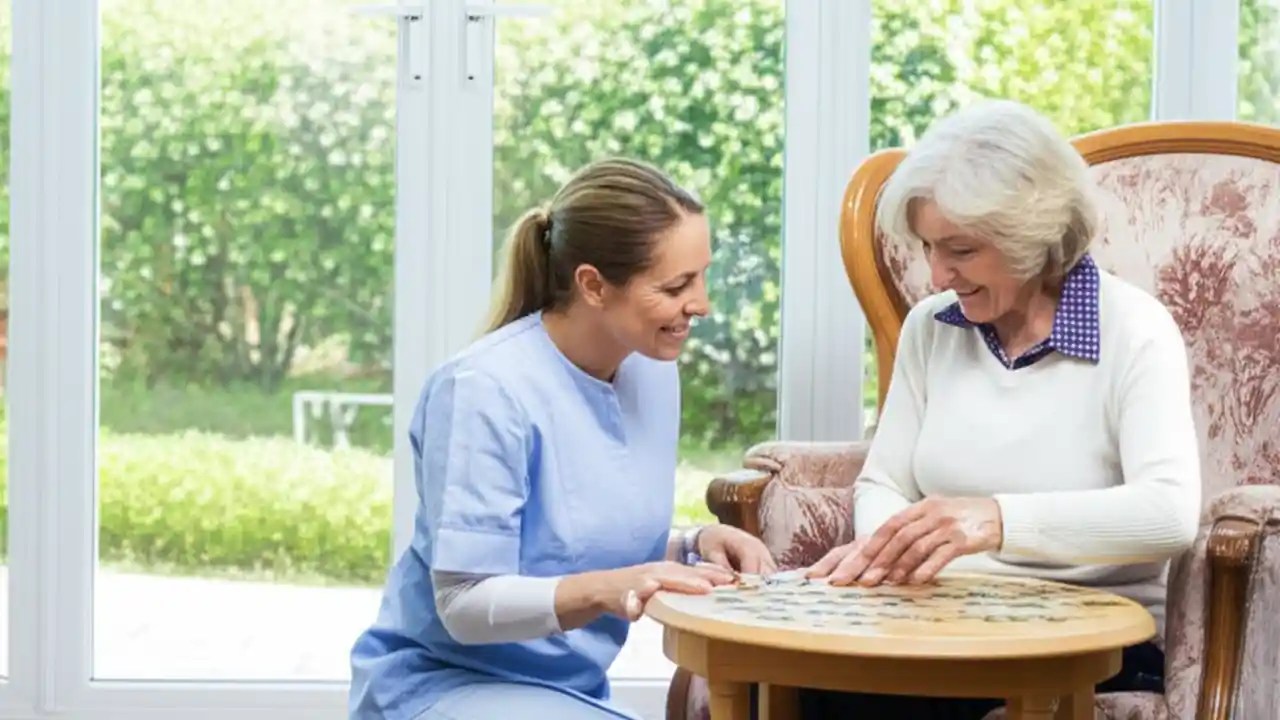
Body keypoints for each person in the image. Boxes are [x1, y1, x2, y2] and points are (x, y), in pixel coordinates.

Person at [799, 100, 1201, 718]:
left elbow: (1169, 513)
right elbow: (884, 481)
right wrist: (890, 551)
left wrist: (994, 520)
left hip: (1086, 637)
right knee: (781, 683)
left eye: (959, 250)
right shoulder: (931, 328)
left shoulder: (1136, 330)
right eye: (929, 247)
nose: (936, 276)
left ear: (1031, 236)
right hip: (940, 621)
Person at [348, 157, 775, 720]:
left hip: (563, 695)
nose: (701, 304)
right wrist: (610, 589)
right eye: (676, 286)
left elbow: (564, 540)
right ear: (594, 285)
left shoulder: (650, 370)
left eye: (701, 276)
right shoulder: (485, 390)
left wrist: (691, 548)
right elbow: (464, 602)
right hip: (443, 686)